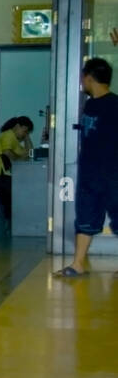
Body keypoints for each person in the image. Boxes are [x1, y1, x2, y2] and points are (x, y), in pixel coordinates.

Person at [56, 57, 117, 277]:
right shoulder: (90, 104)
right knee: (85, 218)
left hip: (113, 174)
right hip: (90, 174)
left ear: (89, 77)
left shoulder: (115, 105)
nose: (81, 81)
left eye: (83, 77)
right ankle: (78, 264)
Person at [0, 115, 34, 218]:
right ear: (17, 126)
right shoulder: (8, 135)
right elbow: (7, 153)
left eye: (27, 132)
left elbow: (30, 153)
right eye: (25, 131)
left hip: (5, 176)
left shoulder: (15, 141)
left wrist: (27, 138)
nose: (24, 134)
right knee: (21, 193)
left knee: (25, 188)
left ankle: (16, 221)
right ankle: (13, 221)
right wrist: (20, 158)